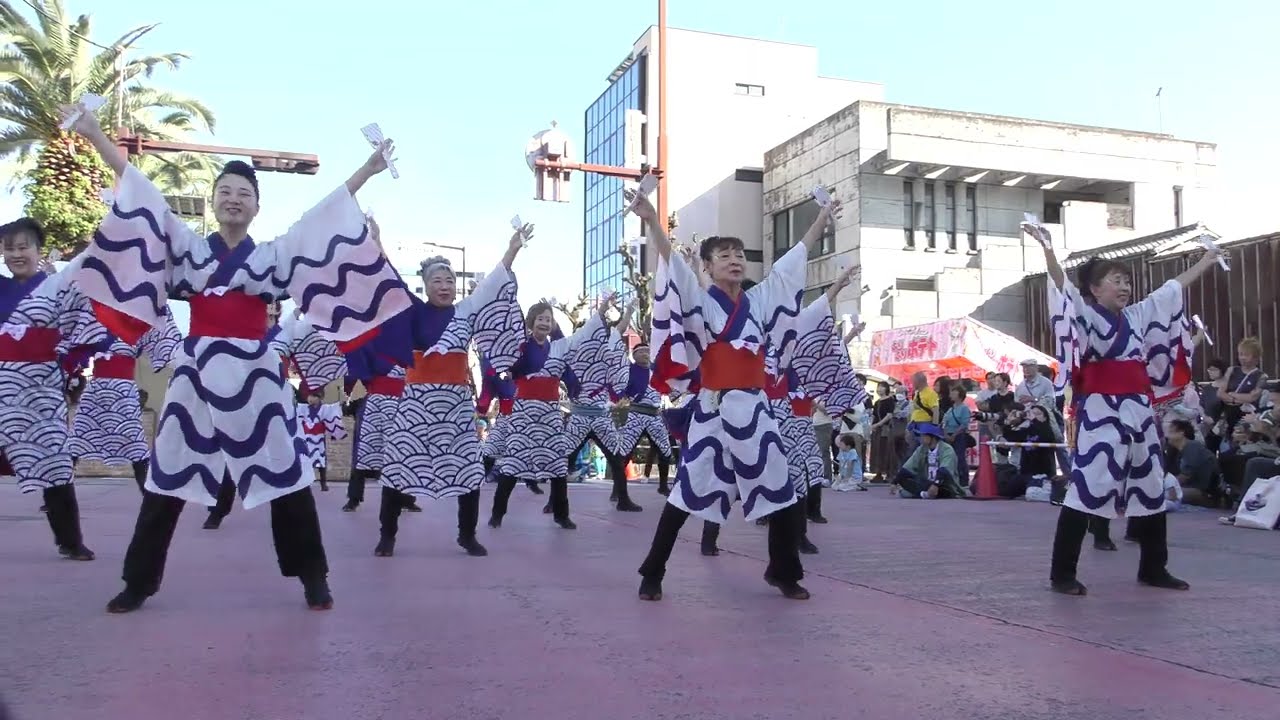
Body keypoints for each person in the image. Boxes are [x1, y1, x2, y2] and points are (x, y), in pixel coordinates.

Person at [67, 105, 408, 613]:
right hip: (196, 371)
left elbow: (322, 216)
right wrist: (94, 132)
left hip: (257, 373)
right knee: (166, 475)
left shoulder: (271, 255)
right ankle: (138, 581)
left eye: (243, 194)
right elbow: (143, 194)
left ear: (256, 207)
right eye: (225, 192)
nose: (233, 200)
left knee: (286, 475)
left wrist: (368, 170)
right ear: (213, 200)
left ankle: (313, 576)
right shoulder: (188, 248)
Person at [631, 183, 836, 602]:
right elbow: (672, 261)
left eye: (739, 254)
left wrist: (821, 219)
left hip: (757, 409)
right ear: (707, 267)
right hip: (712, 409)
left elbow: (792, 263)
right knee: (686, 493)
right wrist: (651, 219)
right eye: (724, 255)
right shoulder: (700, 301)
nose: (735, 260)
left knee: (783, 488)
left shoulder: (759, 301)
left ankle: (783, 571)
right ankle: (653, 571)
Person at [1033, 219, 1222, 596]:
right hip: (1102, 411)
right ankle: (1062, 572)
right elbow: (1062, 288)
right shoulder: (1085, 315)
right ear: (1094, 288)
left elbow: (1171, 290)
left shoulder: (1135, 317)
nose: (1124, 287)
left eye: (1126, 281)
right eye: (1115, 280)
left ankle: (1154, 567)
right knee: (1089, 484)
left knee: (1151, 484)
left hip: (1138, 409)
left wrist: (1209, 259)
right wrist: (1049, 250)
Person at [350, 221, 525, 558]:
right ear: (426, 286)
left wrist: (512, 249)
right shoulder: (413, 310)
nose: (444, 286)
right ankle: (387, 536)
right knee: (397, 467)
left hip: (456, 405)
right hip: (415, 404)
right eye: (437, 281)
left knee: (470, 469)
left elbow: (491, 286)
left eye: (450, 281)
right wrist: (377, 241)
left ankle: (466, 535)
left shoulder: (466, 312)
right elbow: (389, 281)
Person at [1, 217, 107, 561]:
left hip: (42, 392)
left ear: (37, 250)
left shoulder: (60, 288)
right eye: (9, 248)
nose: (16, 254)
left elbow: (89, 322)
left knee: (56, 465)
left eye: (23, 247)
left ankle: (70, 541)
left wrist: (72, 364)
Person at [488, 298, 615, 530]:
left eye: (548, 319)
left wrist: (603, 309)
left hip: (550, 414)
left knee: (558, 464)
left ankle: (561, 514)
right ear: (531, 322)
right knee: (513, 462)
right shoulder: (520, 347)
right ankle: (497, 514)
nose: (545, 323)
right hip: (524, 413)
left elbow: (583, 335)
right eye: (541, 319)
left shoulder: (559, 347)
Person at [67, 308, 182, 493]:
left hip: (123, 392)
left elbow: (163, 335)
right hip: (96, 389)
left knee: (135, 441)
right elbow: (75, 344)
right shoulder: (97, 323)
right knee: (75, 440)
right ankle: (57, 493)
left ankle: (148, 494)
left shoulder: (137, 325)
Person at [565, 300, 640, 512]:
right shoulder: (573, 350)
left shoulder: (608, 349)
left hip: (600, 415)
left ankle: (623, 499)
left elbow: (620, 328)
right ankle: (556, 501)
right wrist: (603, 308)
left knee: (616, 458)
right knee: (565, 458)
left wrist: (629, 311)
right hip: (579, 414)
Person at [615, 340, 676, 497]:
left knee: (665, 450)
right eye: (641, 352)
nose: (645, 354)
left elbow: (670, 388)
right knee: (625, 451)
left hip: (655, 415)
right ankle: (618, 489)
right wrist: (621, 397)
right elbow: (620, 388)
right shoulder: (628, 370)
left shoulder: (657, 371)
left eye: (647, 351)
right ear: (634, 355)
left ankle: (663, 486)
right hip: (636, 414)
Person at [891, 423, 966, 499]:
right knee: (903, 480)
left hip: (944, 484)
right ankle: (925, 494)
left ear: (932, 437)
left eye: (923, 436)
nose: (921, 438)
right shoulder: (922, 448)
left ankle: (921, 494)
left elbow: (944, 470)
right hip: (927, 483)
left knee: (906, 493)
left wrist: (936, 484)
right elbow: (908, 467)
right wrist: (895, 482)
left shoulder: (947, 449)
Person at [295, 386, 347, 492]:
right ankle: (304, 482)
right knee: (304, 460)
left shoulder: (325, 409)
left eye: (314, 396)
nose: (310, 398)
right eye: (309, 396)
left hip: (319, 438)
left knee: (321, 460)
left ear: (320, 397)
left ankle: (323, 483)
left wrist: (340, 403)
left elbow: (334, 411)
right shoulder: (303, 408)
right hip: (306, 438)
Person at [940, 384, 973, 486]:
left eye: (954, 392)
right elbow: (944, 422)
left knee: (959, 457)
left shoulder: (964, 408)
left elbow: (964, 424)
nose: (951, 394)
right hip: (948, 434)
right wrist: (945, 433)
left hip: (959, 435)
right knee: (949, 457)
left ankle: (963, 480)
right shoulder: (951, 409)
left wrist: (954, 434)